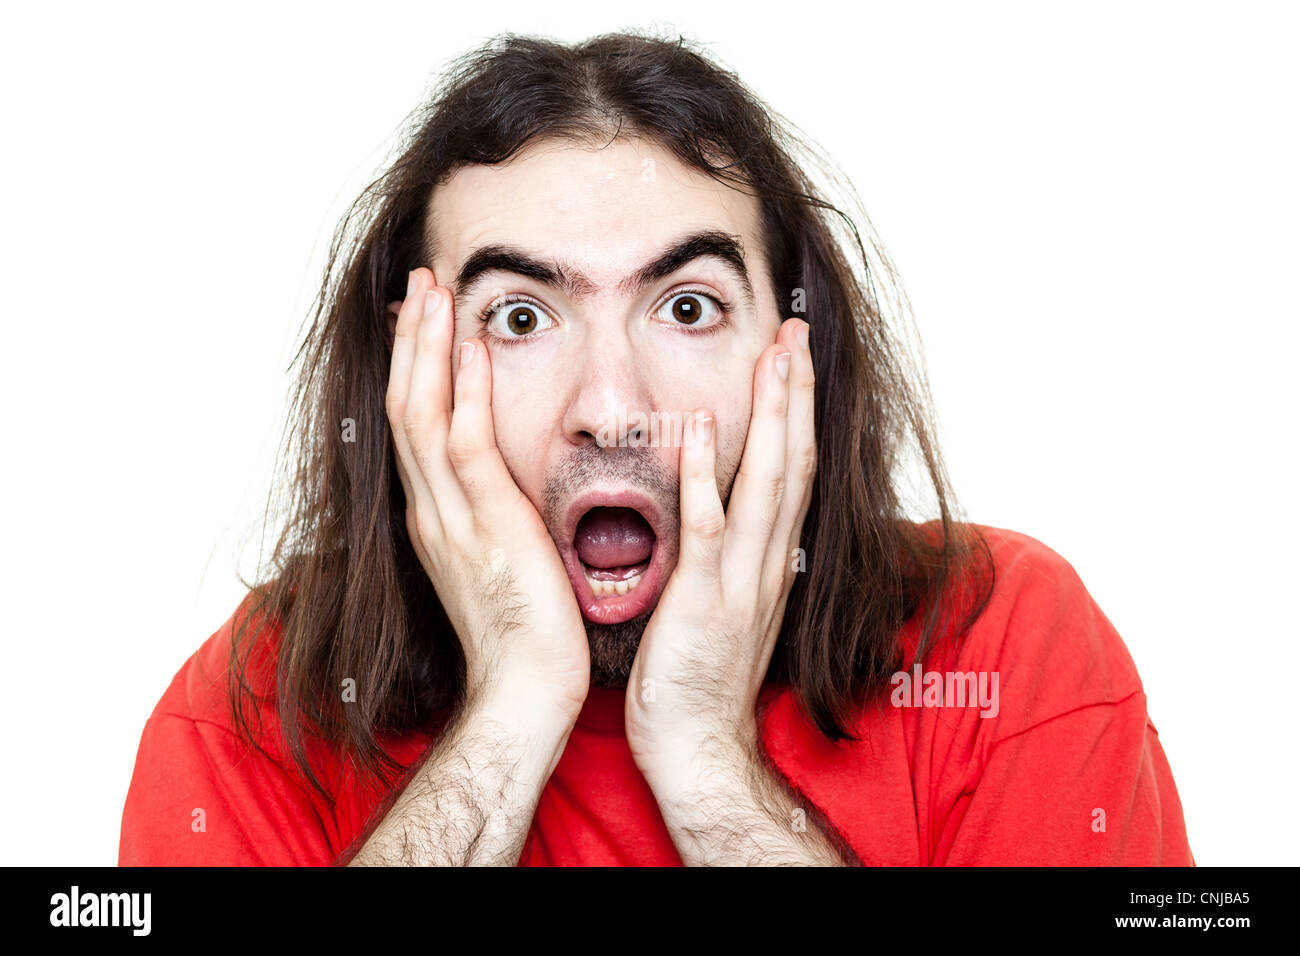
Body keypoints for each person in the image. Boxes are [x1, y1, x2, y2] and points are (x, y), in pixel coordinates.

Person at [118, 31, 1193, 866]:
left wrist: (708, 765)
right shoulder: (254, 705)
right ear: (410, 371)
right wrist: (510, 710)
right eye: (520, 317)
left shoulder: (1003, 645)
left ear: (795, 350)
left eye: (686, 306)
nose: (612, 407)